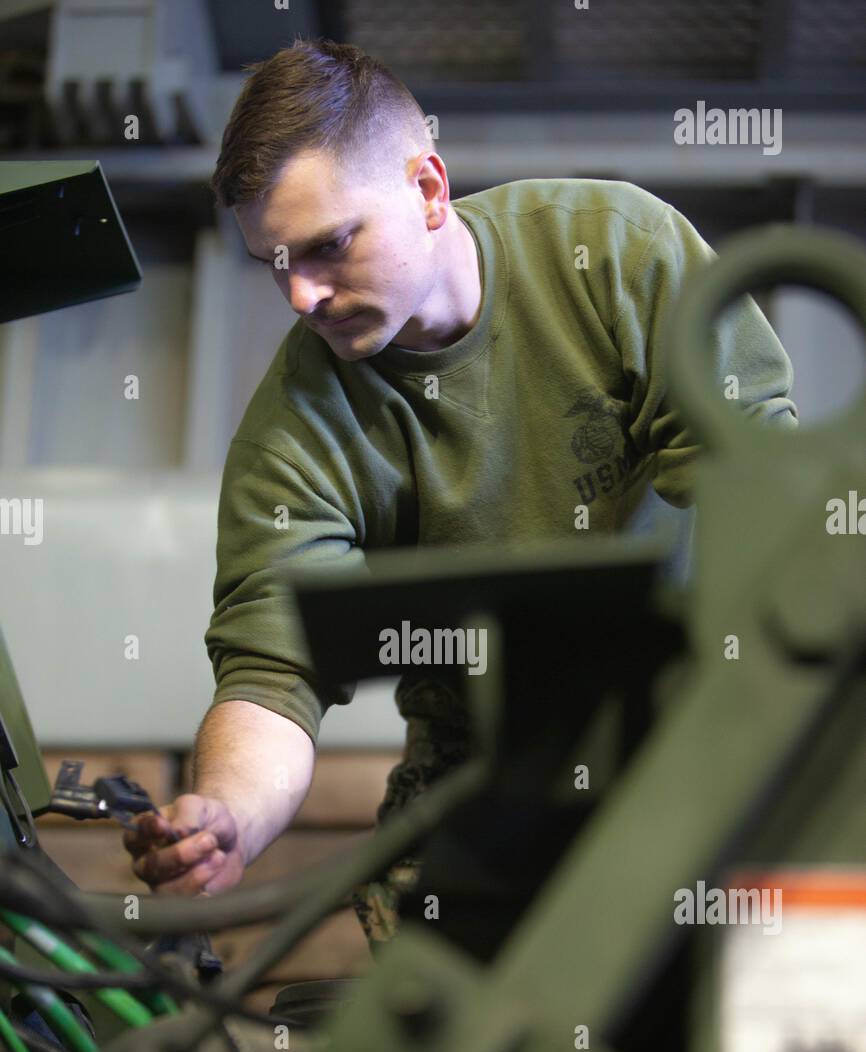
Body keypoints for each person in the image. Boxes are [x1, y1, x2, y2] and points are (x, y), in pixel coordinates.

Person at [123, 37, 798, 972]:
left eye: (328, 247)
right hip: (481, 775)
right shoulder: (296, 429)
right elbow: (273, 677)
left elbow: (765, 493)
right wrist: (228, 815)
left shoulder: (613, 253)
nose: (302, 295)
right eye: (275, 263)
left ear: (429, 189)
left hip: (696, 713)